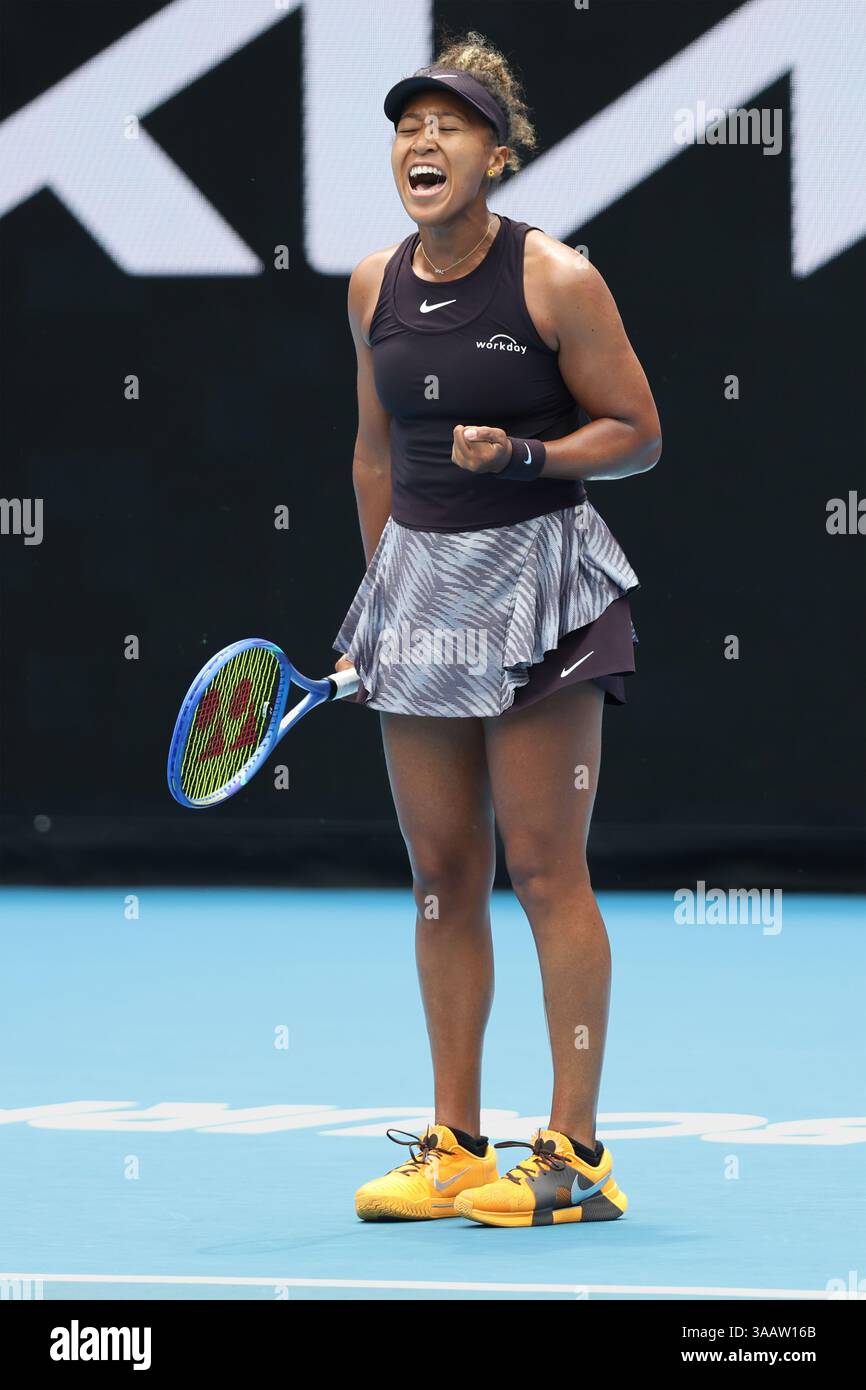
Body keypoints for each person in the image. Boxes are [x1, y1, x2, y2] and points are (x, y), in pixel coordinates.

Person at [333, 31, 661, 1228]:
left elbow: (637, 431)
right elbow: (374, 450)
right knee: (440, 877)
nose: (422, 142)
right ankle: (457, 1146)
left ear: (499, 158)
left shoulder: (556, 281)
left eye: (450, 126)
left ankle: (573, 1155)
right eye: (408, 126)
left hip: (544, 588)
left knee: (540, 868)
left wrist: (524, 452)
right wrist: (381, 603)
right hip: (421, 590)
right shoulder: (371, 283)